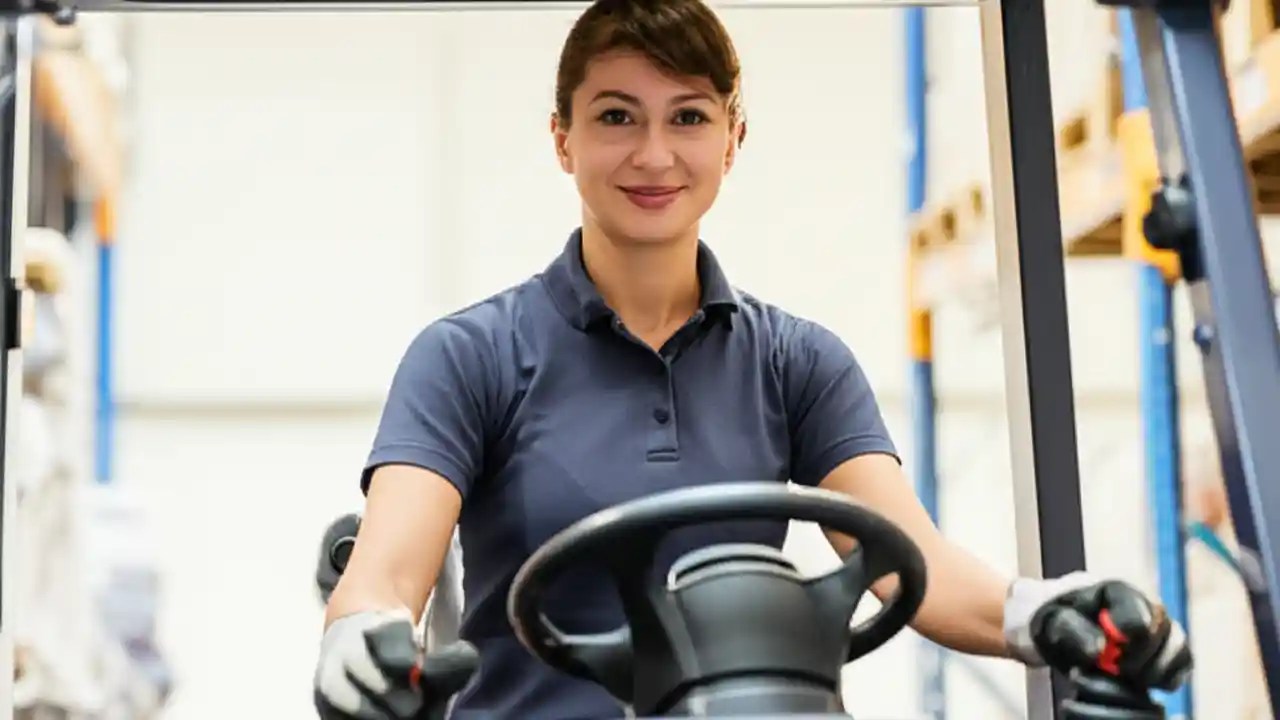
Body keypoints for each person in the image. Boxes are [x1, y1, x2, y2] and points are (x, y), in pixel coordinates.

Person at [313, 1, 1192, 718]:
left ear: (732, 139)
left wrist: (1039, 611)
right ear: (562, 139)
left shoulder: (797, 363)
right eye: (617, 116)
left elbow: (905, 564)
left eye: (688, 117)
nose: (654, 154)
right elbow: (385, 579)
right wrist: (361, 636)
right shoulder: (469, 357)